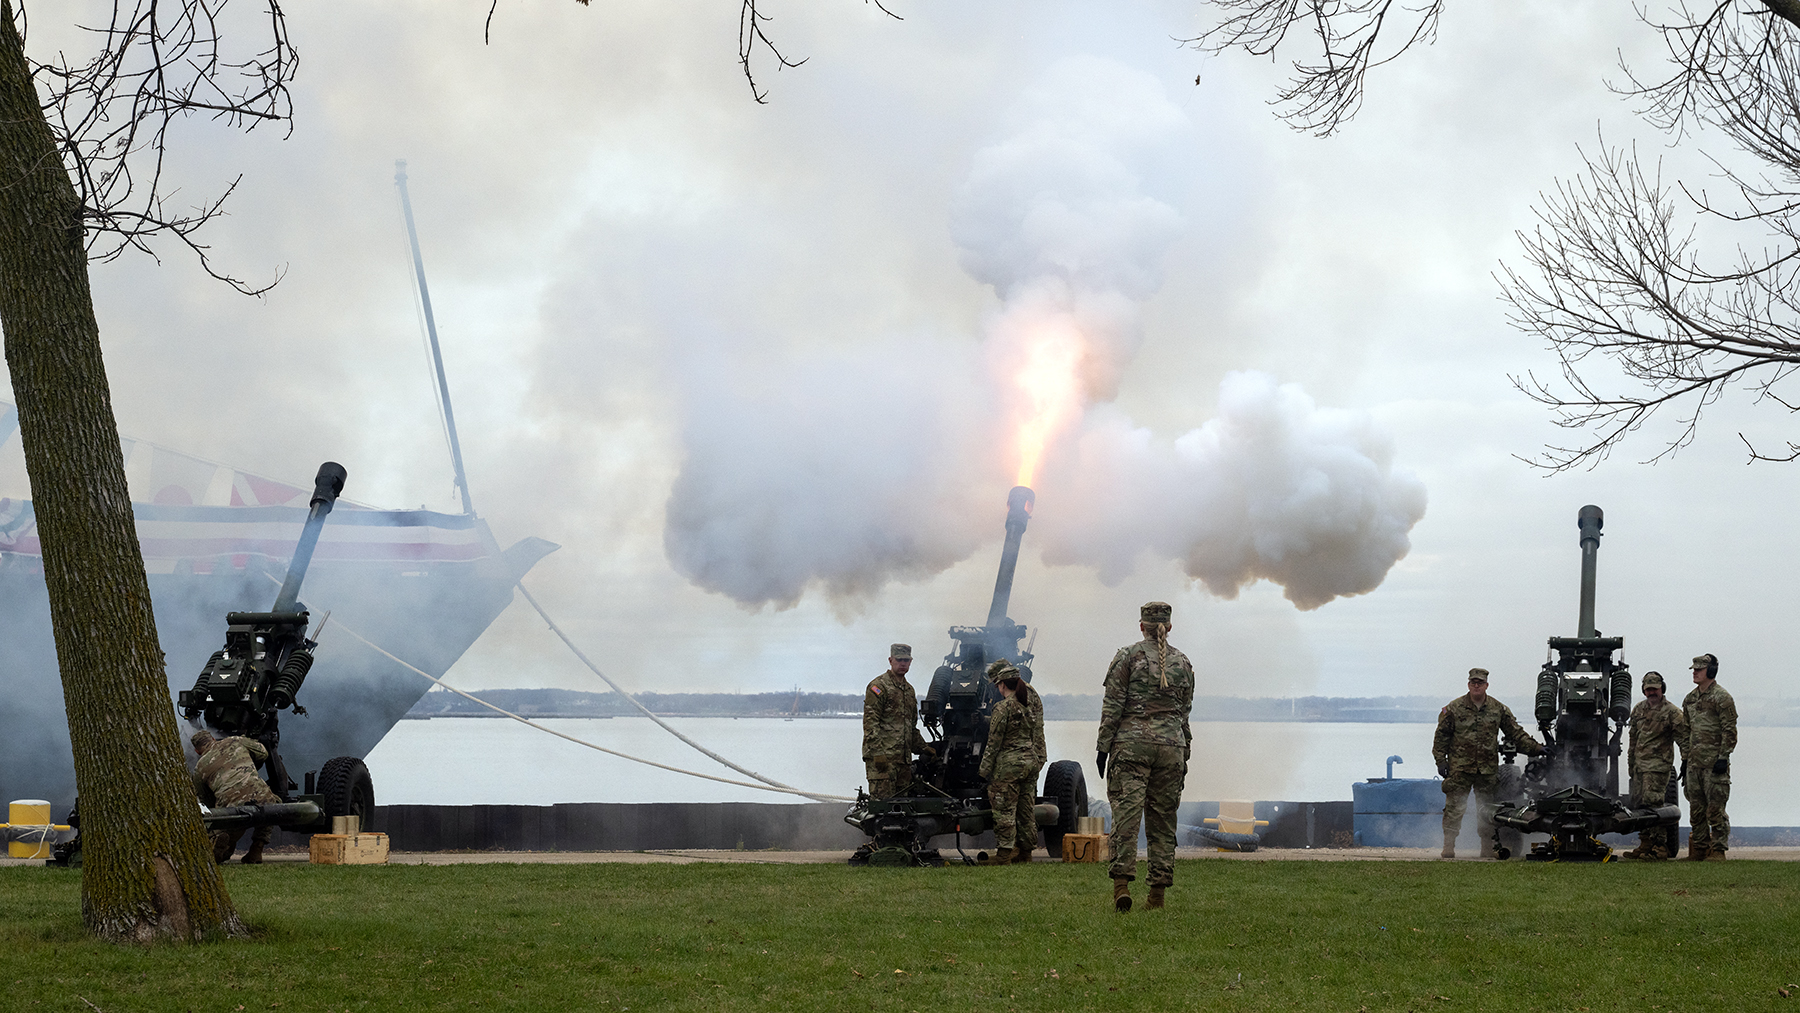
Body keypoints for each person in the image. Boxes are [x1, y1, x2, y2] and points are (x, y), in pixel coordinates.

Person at [1095, 601, 1194, 913]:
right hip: (1170, 749)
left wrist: (1102, 747)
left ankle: (1122, 886)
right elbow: (1184, 712)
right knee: (1163, 823)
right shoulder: (1183, 662)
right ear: (1169, 626)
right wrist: (1184, 750)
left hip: (1131, 747)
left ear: (1142, 626)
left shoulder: (1127, 656)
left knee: (1126, 817)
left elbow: (1112, 706)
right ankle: (1156, 897)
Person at [1432, 668, 1543, 860]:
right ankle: (1448, 847)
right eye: (1473, 682)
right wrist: (1441, 761)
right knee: (1454, 808)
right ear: (1468, 685)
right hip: (1460, 769)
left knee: (1487, 810)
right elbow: (1441, 737)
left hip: (1486, 770)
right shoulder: (1453, 708)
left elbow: (1515, 734)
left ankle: (1486, 848)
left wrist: (1537, 749)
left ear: (1486, 685)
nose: (1476, 686)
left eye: (1480, 683)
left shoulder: (1498, 709)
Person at [978, 659, 1046, 865]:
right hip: (1029, 762)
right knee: (1026, 811)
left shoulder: (1002, 707)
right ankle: (1026, 853)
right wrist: (1040, 758)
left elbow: (994, 743)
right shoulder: (1027, 702)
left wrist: (984, 771)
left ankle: (1004, 854)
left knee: (1004, 810)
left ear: (1001, 684)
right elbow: (1036, 731)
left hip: (1008, 766)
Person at [1621, 672, 1689, 860]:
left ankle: (1660, 847)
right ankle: (1645, 844)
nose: (1651, 692)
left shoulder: (1672, 712)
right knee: (1639, 806)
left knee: (1654, 805)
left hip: (1658, 767)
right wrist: (1631, 764)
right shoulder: (1638, 710)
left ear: (1662, 689)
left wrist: (1686, 762)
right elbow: (1633, 739)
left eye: (1655, 689)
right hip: (1639, 767)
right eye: (1648, 689)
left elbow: (1683, 739)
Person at [191, 728, 281, 864]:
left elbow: (206, 802)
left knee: (225, 837)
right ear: (213, 739)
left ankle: (222, 844)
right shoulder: (235, 741)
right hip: (262, 797)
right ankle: (256, 850)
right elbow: (263, 753)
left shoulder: (199, 768)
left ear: (197, 751)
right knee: (273, 802)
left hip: (232, 807)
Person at [1681, 653, 1736, 861]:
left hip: (1714, 765)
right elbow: (1686, 731)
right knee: (1696, 810)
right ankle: (1700, 850)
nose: (1694, 672)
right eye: (1694, 669)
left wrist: (1723, 756)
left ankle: (1719, 849)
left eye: (1699, 669)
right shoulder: (1690, 699)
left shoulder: (1722, 698)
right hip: (1694, 765)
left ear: (1710, 672)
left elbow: (1729, 730)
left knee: (1715, 809)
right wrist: (1685, 760)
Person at [862, 643, 933, 799]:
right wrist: (878, 754)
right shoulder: (878, 687)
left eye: (906, 660)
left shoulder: (909, 690)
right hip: (883, 762)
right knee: (883, 808)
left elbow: (910, 727)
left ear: (910, 662)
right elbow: (870, 723)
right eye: (899, 659)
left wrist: (924, 748)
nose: (903, 663)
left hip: (903, 762)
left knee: (901, 809)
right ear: (890, 660)